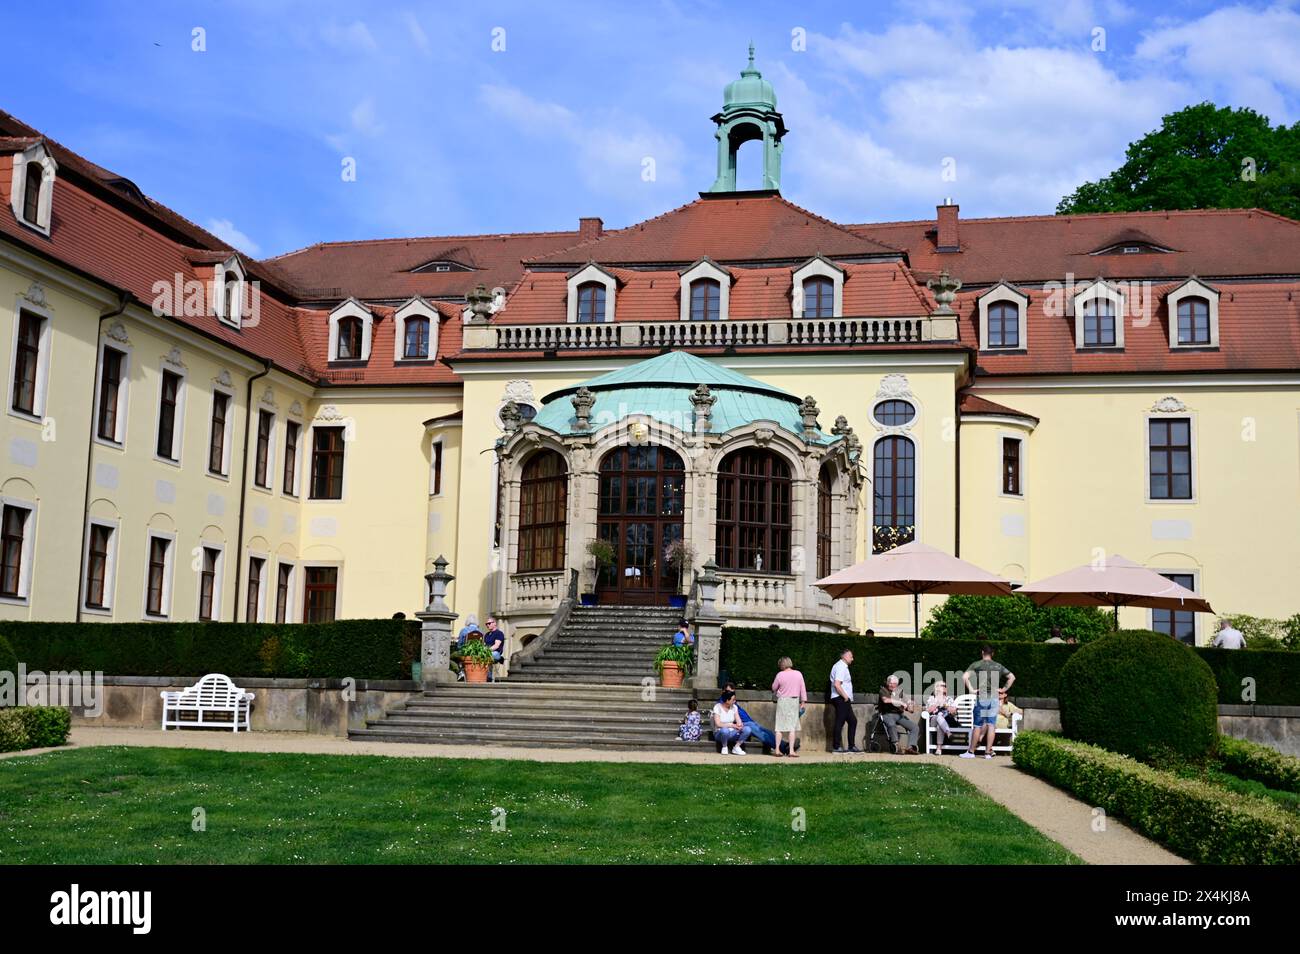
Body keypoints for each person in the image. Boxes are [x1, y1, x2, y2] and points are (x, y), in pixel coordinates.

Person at [961, 643, 1015, 759]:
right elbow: (1012, 677)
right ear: (993, 654)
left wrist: (971, 690)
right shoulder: (998, 666)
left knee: (977, 725)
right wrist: (1003, 689)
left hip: (982, 698)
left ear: (982, 653)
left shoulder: (977, 664)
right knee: (991, 725)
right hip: (994, 699)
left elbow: (964, 677)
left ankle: (971, 752)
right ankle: (987, 753)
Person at [718, 682, 778, 752]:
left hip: (748, 721)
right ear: (723, 691)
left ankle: (784, 745)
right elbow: (726, 718)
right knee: (762, 734)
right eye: (729, 692)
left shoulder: (732, 700)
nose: (731, 694)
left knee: (767, 732)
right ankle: (782, 747)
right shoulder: (722, 703)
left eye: (733, 692)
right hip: (744, 723)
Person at [771, 657, 807, 758]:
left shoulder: (780, 675)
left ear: (781, 664)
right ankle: (791, 751)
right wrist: (803, 702)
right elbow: (802, 688)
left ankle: (777, 750)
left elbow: (774, 687)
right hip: (794, 701)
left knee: (779, 727)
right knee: (792, 727)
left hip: (783, 701)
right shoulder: (798, 674)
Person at [877, 675, 920, 755]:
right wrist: (900, 702)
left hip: (899, 715)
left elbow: (907, 702)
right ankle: (895, 744)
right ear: (888, 683)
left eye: (895, 684)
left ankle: (910, 747)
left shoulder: (900, 692)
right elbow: (886, 700)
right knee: (891, 724)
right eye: (892, 683)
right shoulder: (883, 690)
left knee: (915, 727)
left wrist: (910, 705)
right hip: (887, 714)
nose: (893, 686)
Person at [829, 649, 860, 754]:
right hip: (840, 698)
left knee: (852, 721)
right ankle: (836, 747)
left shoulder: (841, 666)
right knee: (840, 721)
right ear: (845, 656)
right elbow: (837, 684)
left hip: (842, 698)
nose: (852, 658)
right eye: (851, 656)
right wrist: (845, 697)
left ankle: (851, 746)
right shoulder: (841, 667)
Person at [711, 691, 751, 755]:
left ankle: (736, 747)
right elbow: (718, 724)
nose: (734, 701)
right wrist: (732, 725)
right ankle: (724, 747)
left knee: (747, 729)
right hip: (720, 733)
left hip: (732, 732)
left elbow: (738, 720)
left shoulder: (734, 707)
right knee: (725, 730)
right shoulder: (717, 707)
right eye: (733, 700)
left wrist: (739, 725)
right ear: (727, 700)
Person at [924, 680, 959, 753]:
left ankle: (938, 749)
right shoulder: (932, 698)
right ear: (937, 687)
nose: (945, 687)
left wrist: (946, 706)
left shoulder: (949, 699)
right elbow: (928, 711)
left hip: (946, 720)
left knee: (940, 723)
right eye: (942, 686)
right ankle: (948, 733)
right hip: (934, 720)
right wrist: (937, 703)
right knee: (939, 717)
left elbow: (954, 712)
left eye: (945, 686)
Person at [482, 616, 506, 681]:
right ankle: (486, 677)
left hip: (496, 653)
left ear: (494, 623)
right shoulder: (487, 634)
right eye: (486, 624)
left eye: (489, 623)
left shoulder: (499, 633)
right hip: (488, 652)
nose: (487, 625)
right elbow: (484, 645)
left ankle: (488, 678)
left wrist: (486, 651)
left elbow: (496, 646)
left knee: (489, 655)